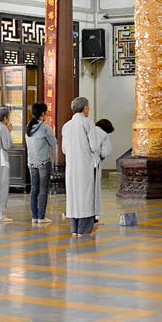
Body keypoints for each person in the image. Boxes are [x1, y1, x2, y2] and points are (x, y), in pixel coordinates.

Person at [61, 97, 101, 236]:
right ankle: (84, 230)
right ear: (85, 108)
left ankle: (75, 229)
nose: (88, 109)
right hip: (85, 165)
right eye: (88, 107)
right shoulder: (87, 122)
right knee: (86, 196)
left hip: (71, 166)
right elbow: (94, 145)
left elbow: (64, 149)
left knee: (73, 196)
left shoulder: (66, 126)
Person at [25, 102, 58, 224]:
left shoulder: (29, 127)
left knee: (34, 189)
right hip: (44, 161)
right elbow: (54, 142)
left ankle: (34, 216)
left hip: (31, 162)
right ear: (43, 114)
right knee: (43, 190)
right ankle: (41, 216)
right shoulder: (45, 128)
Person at [93, 119, 114, 226]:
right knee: (95, 192)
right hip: (96, 164)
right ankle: (95, 218)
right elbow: (106, 150)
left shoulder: (91, 130)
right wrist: (101, 155)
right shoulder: (103, 134)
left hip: (84, 164)